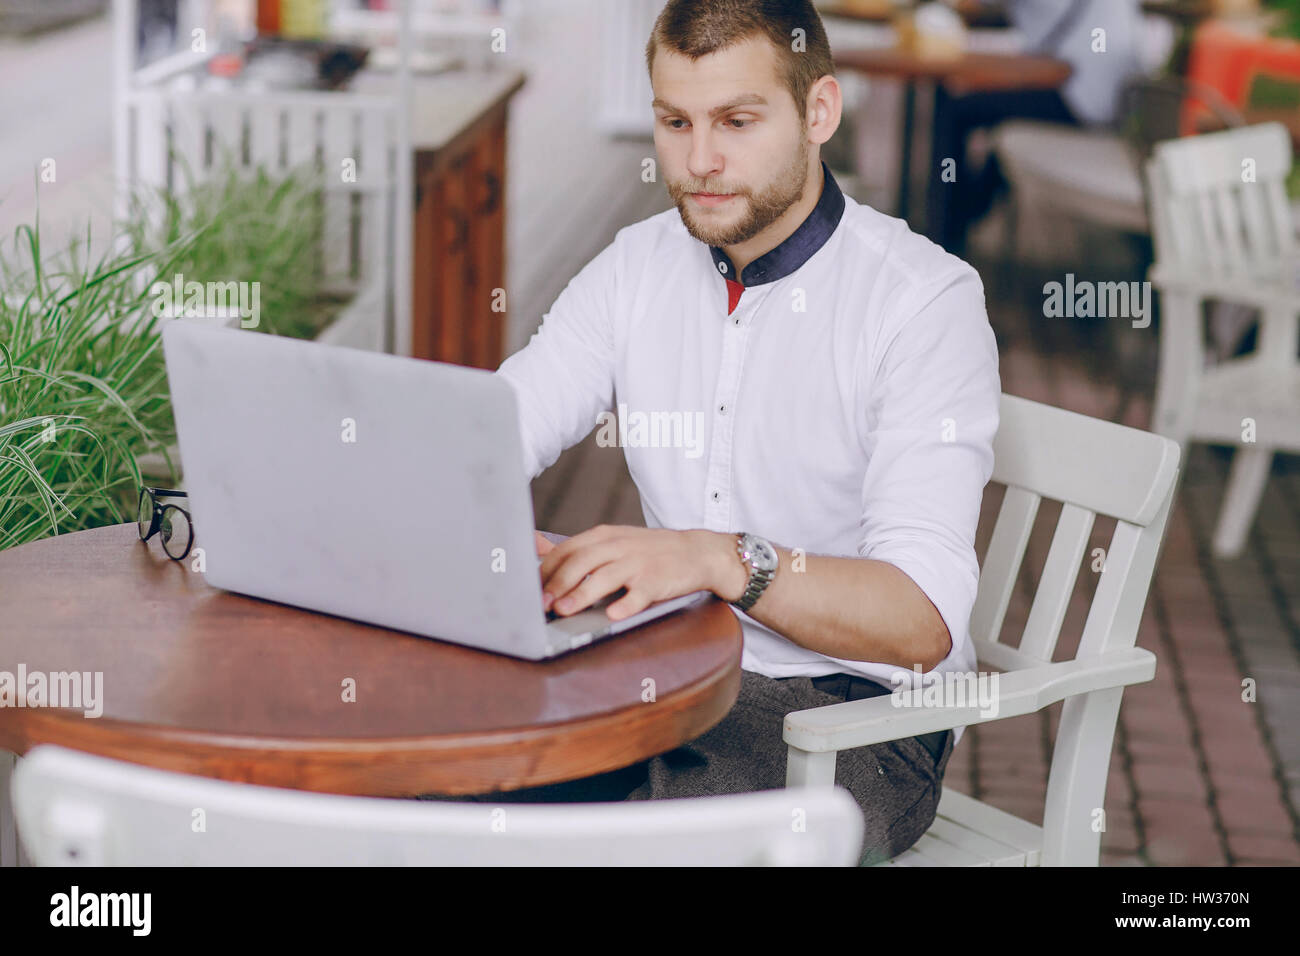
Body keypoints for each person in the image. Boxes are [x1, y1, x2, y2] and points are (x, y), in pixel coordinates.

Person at [427, 0, 1001, 866]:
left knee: (603, 839)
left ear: (819, 113)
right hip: (663, 677)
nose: (699, 163)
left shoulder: (924, 303)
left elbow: (921, 618)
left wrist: (718, 557)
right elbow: (491, 439)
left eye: (737, 121)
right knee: (444, 778)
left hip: (851, 720)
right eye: (674, 122)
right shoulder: (635, 266)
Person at [927, 0, 1145, 254]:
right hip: (1116, 97)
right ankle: (959, 215)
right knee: (990, 116)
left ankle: (942, 234)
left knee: (957, 111)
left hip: (1081, 95)